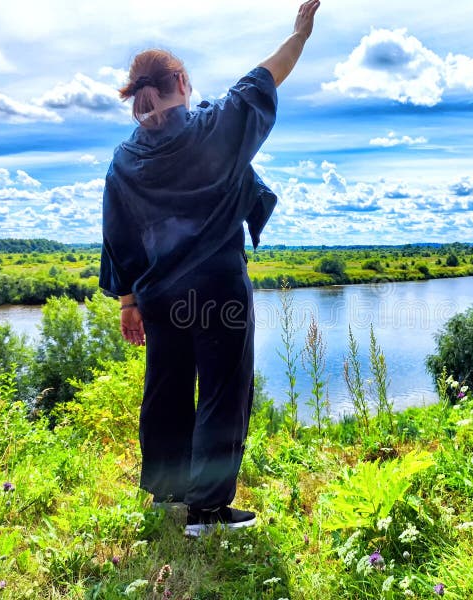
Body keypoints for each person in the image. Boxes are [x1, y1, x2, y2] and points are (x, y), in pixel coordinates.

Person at [99, 1, 320, 537]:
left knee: (167, 388)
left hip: (160, 297)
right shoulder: (216, 128)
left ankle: (167, 494)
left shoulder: (125, 160)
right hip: (219, 290)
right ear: (180, 80)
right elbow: (271, 74)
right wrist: (301, 32)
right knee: (224, 390)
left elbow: (118, 236)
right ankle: (207, 512)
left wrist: (129, 302)